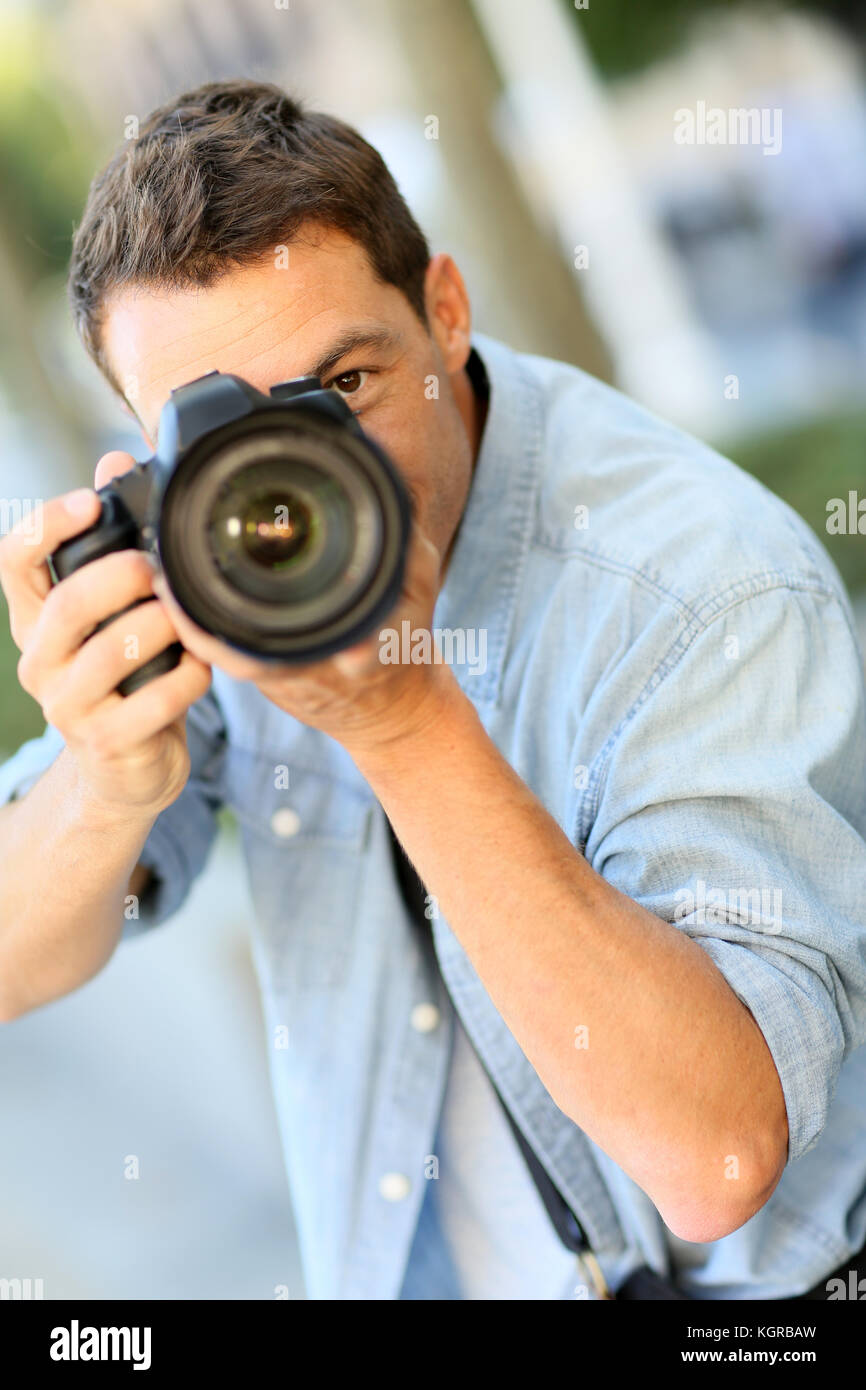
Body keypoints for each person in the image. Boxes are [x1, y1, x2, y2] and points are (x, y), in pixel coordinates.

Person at [1, 79, 865, 1302]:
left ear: (444, 310)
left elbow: (716, 1159)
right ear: (144, 444)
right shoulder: (197, 562)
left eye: (342, 387)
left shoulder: (702, 587)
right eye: (226, 440)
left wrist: (402, 722)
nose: (300, 484)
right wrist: (98, 779)